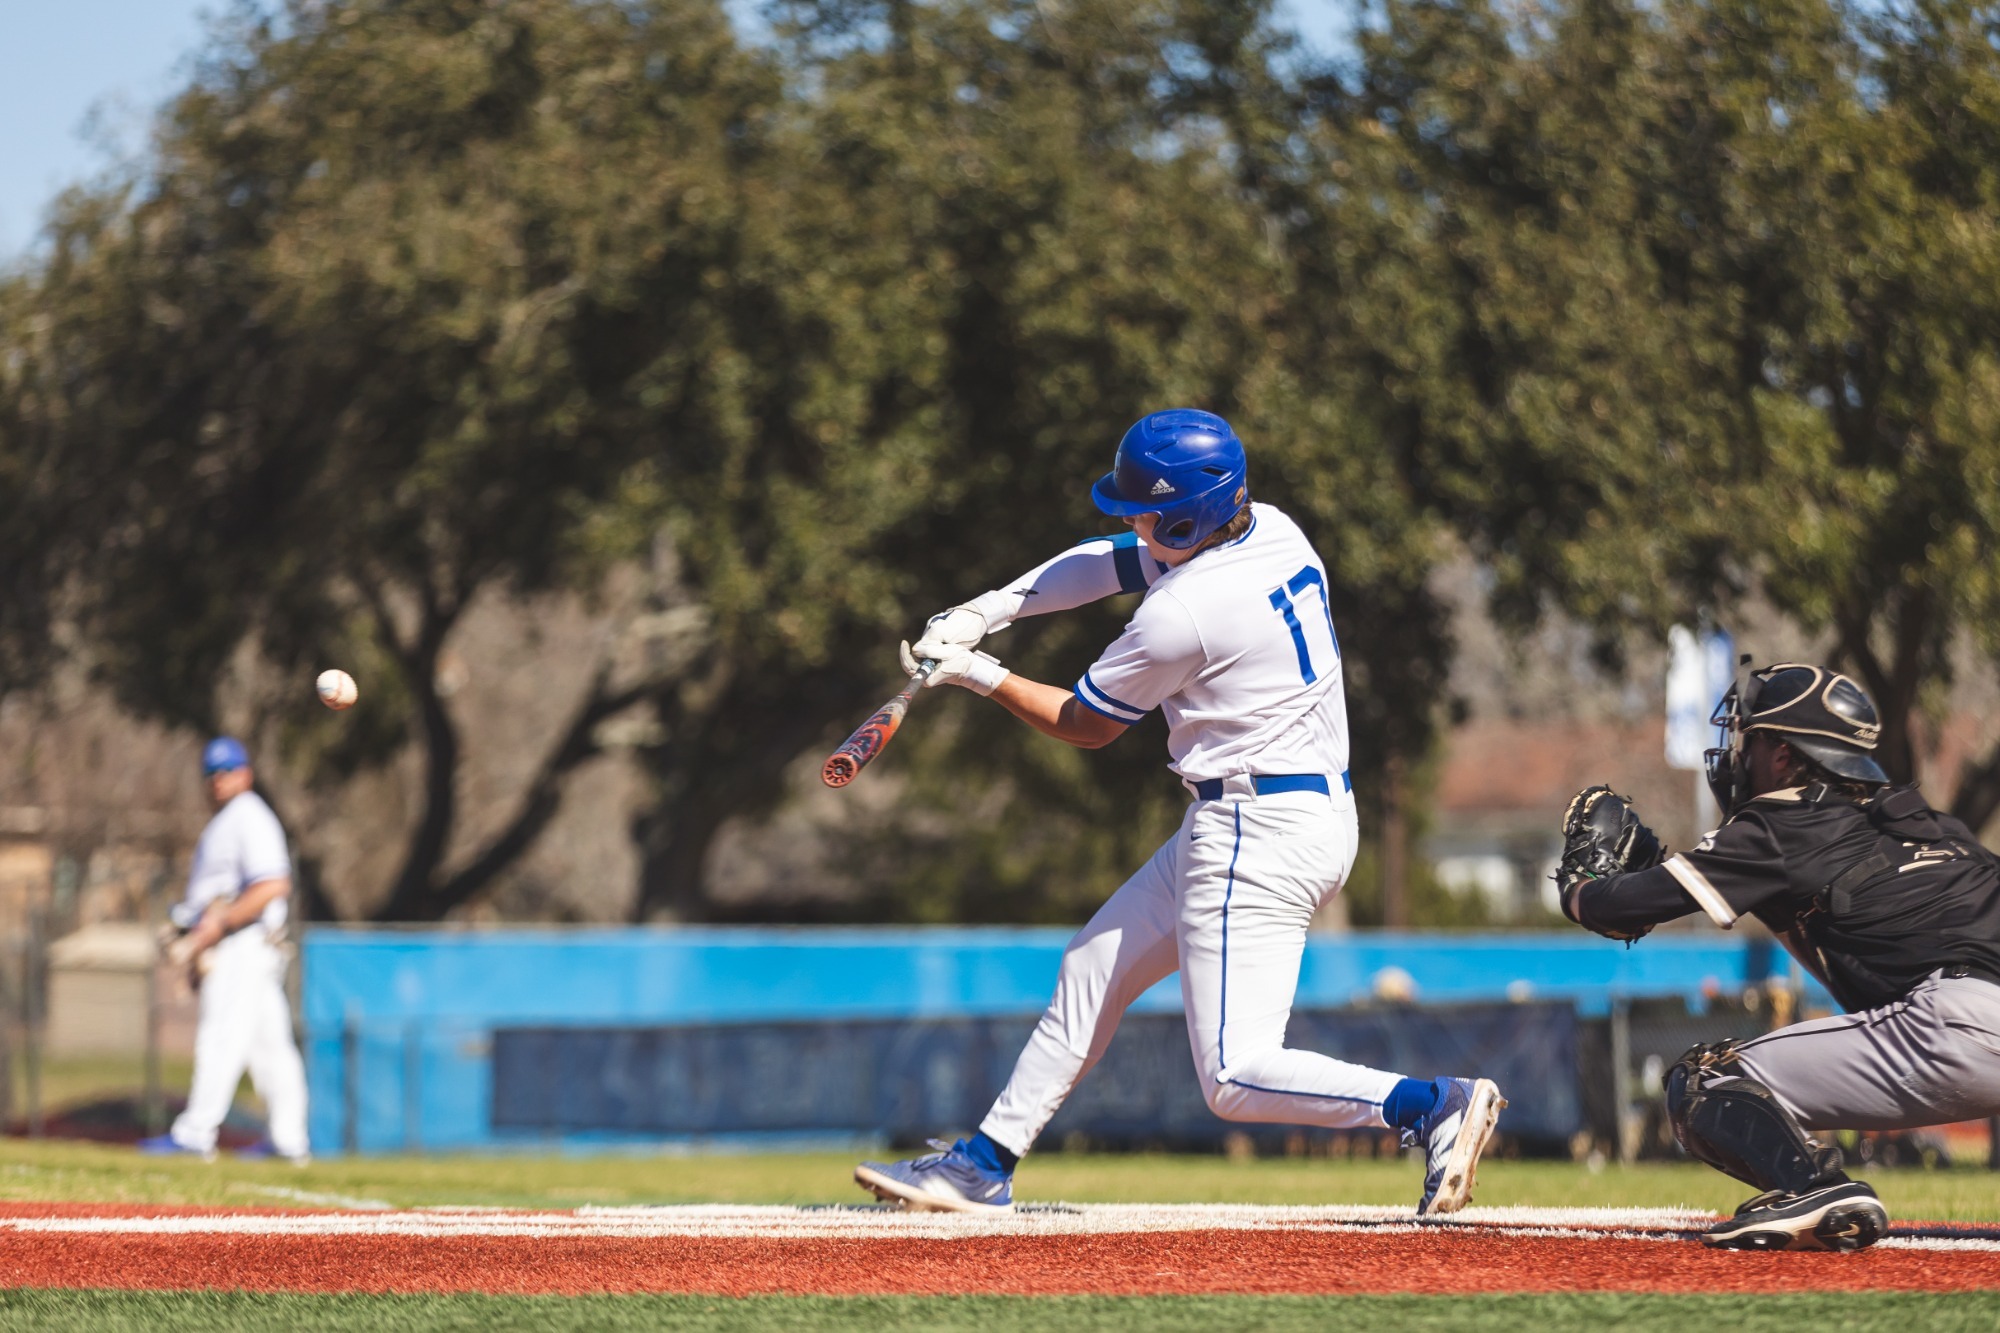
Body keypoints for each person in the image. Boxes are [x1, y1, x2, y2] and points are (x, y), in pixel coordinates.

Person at [852, 409, 1505, 1216]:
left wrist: (979, 676)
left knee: (1233, 1075)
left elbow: (1085, 725)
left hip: (1253, 832)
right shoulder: (1270, 529)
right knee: (1094, 963)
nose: (1131, 521)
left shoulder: (1183, 613)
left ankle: (1431, 1104)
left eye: (1146, 510)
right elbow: (1114, 559)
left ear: (1190, 516)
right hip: (1298, 811)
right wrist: (990, 608)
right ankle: (982, 1165)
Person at [1557, 662, 2000, 1251]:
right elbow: (1870, 976)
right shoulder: (1936, 829)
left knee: (1703, 1082)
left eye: (1753, 739)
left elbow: (1621, 906)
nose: (1741, 755)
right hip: (1964, 1010)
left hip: (1961, 1026)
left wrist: (1579, 888)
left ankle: (1813, 1188)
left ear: (1786, 756)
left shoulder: (1786, 818)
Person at [138, 737, 311, 1163]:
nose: (219, 780)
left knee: (220, 1036)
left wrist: (217, 924)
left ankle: (196, 1132)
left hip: (243, 943)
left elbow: (273, 884)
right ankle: (289, 1141)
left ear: (246, 773)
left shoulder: (249, 817)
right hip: (240, 944)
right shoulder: (229, 821)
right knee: (271, 1046)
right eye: (212, 773)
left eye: (227, 770)